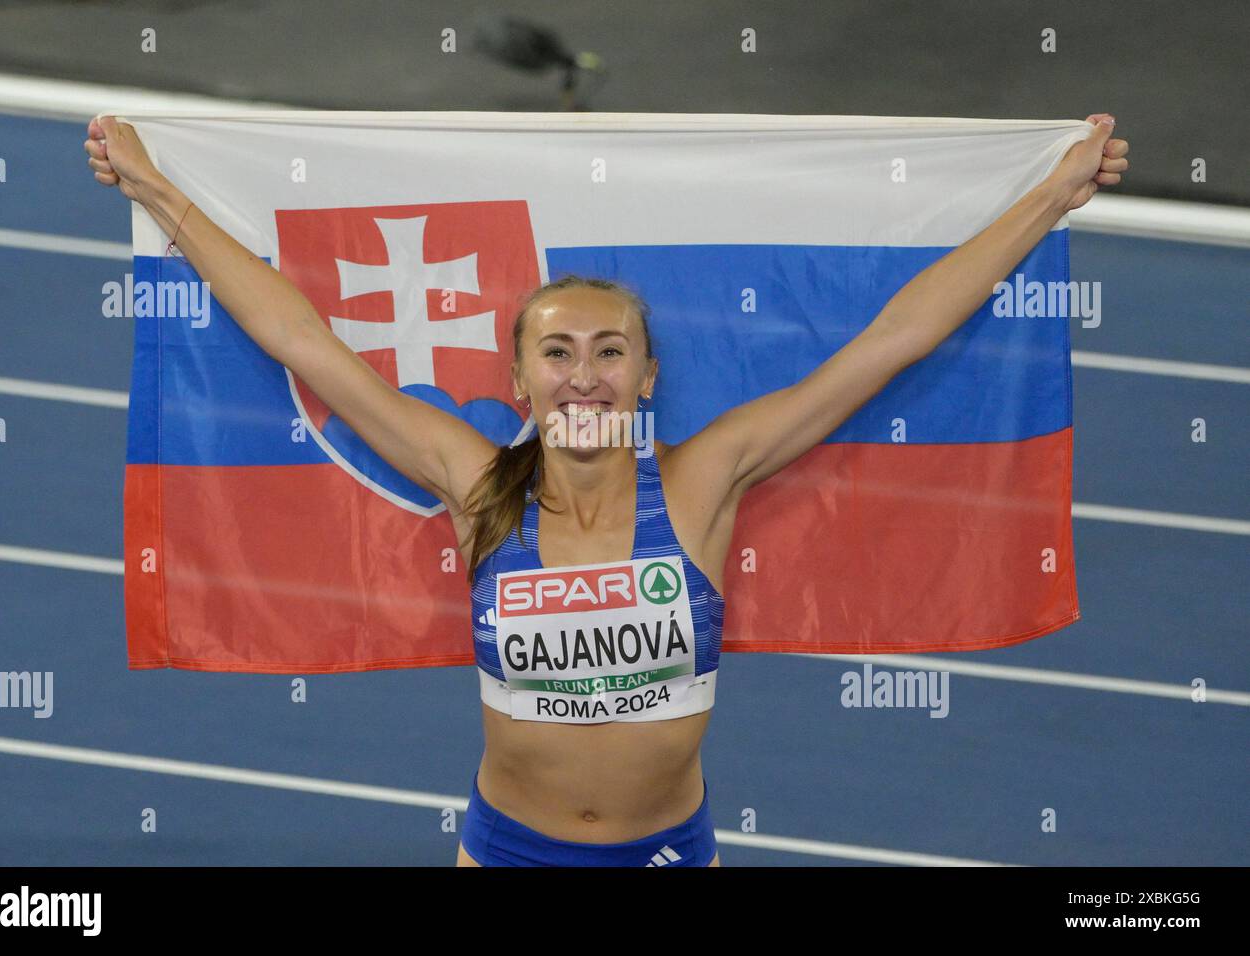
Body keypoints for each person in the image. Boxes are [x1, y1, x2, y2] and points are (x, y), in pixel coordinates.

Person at [85, 112, 1128, 867]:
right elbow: (304, 341)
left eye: (608, 349)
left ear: (646, 375)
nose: (583, 373)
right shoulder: (475, 481)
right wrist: (159, 190)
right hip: (503, 852)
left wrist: (1050, 194)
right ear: (518, 382)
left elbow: (892, 341)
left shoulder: (705, 479)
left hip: (669, 851)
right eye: (557, 351)